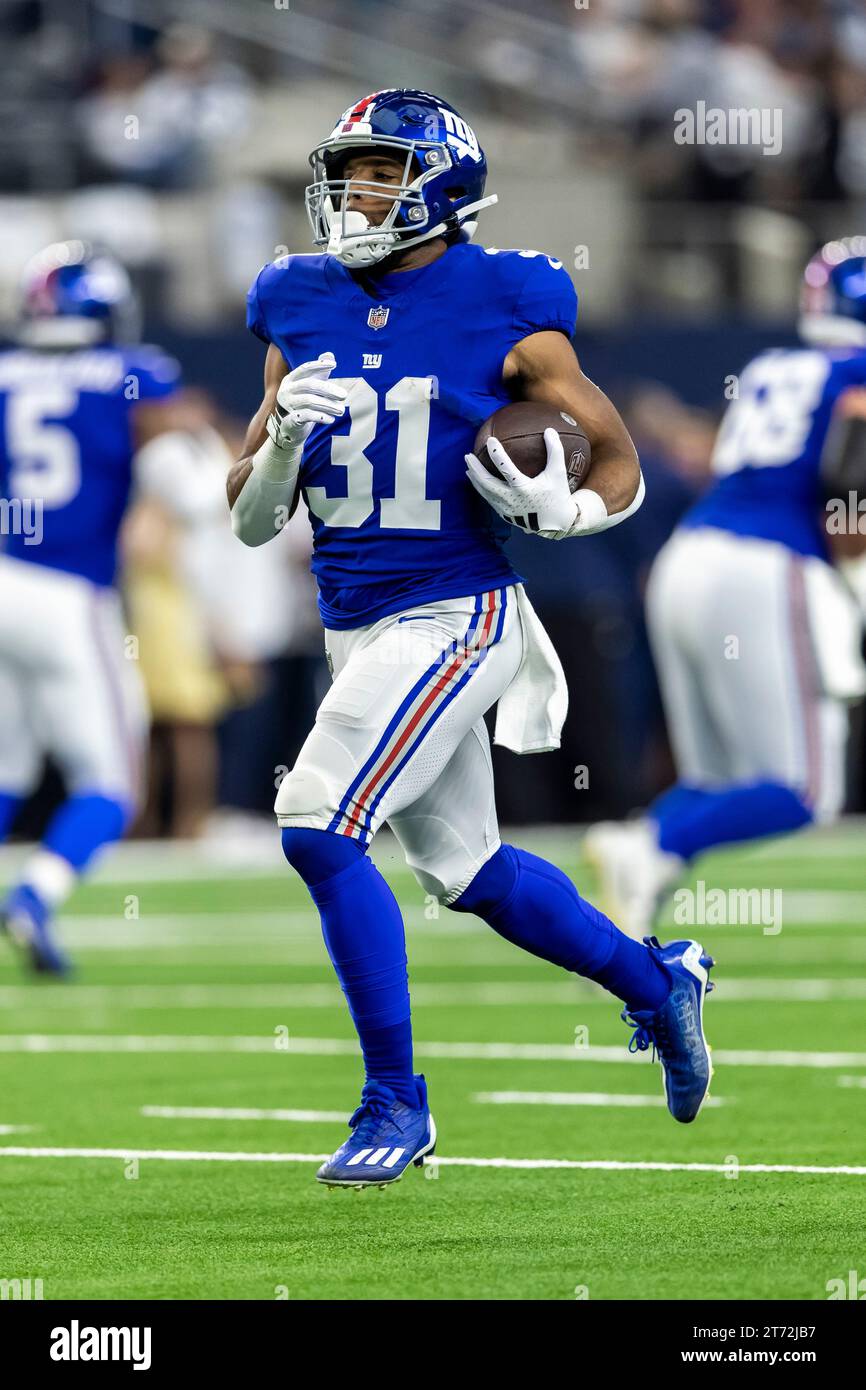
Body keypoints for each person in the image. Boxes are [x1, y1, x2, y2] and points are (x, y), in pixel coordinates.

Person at [228, 89, 715, 1189]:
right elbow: (251, 517)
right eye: (347, 171)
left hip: (458, 612)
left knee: (316, 822)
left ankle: (394, 1098)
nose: (354, 193)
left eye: (378, 172)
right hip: (356, 625)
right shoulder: (294, 300)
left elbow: (616, 457)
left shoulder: (506, 294)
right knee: (469, 870)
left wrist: (569, 514)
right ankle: (655, 983)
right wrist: (276, 453)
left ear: (438, 185)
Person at [587, 237, 866, 939]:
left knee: (715, 778)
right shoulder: (857, 373)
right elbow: (850, 484)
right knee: (805, 790)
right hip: (767, 566)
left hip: (692, 554)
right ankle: (649, 846)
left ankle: (638, 877)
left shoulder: (774, 363)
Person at [0, 240, 182, 972]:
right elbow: (174, 464)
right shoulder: (134, 374)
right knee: (113, 783)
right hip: (70, 591)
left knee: (8, 767)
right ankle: (35, 896)